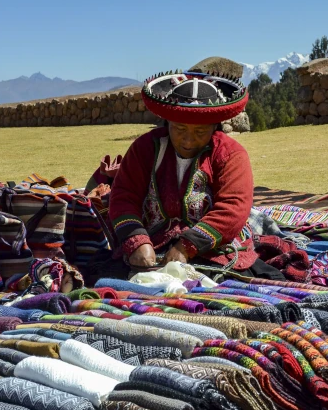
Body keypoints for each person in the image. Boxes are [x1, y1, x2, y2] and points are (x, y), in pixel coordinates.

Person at [107, 70, 259, 273]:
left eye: (200, 132)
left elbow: (234, 206)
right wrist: (137, 241)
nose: (188, 140)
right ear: (167, 122)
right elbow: (123, 196)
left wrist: (187, 246)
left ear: (215, 127)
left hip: (213, 250)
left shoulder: (230, 154)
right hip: (152, 244)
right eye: (179, 129)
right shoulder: (145, 148)